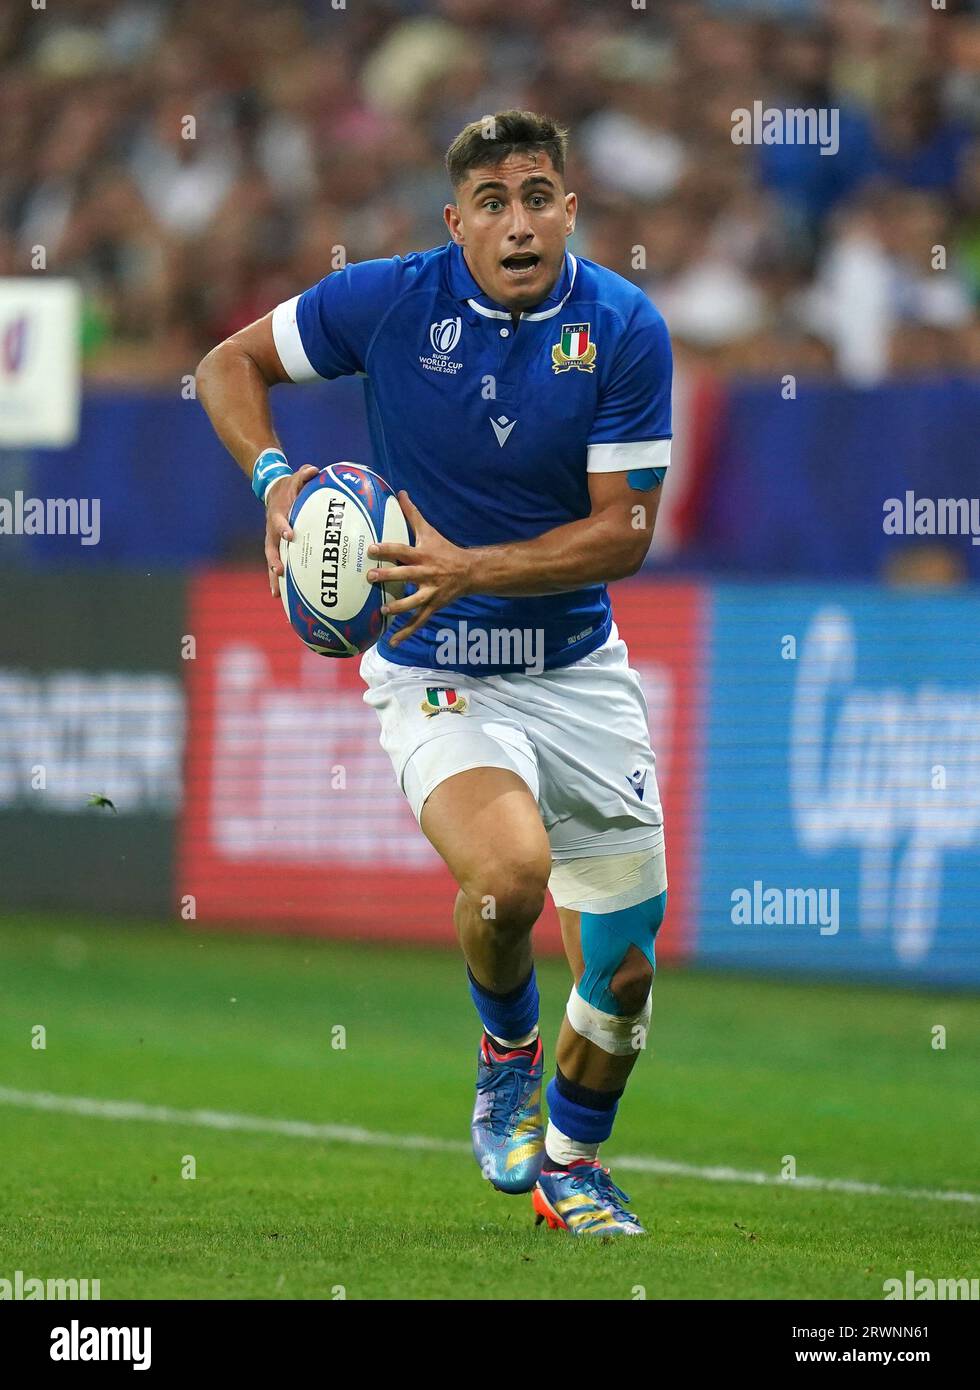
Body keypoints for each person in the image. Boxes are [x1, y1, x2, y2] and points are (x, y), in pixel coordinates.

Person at [196, 110, 673, 1237]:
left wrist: (478, 565)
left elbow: (625, 534)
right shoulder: (391, 300)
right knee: (508, 877)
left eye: (539, 195)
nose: (519, 222)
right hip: (431, 663)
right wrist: (273, 481)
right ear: (455, 222)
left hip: (572, 667)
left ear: (569, 208)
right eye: (494, 203)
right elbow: (228, 364)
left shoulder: (620, 327)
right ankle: (504, 1045)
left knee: (626, 973)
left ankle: (571, 1163)